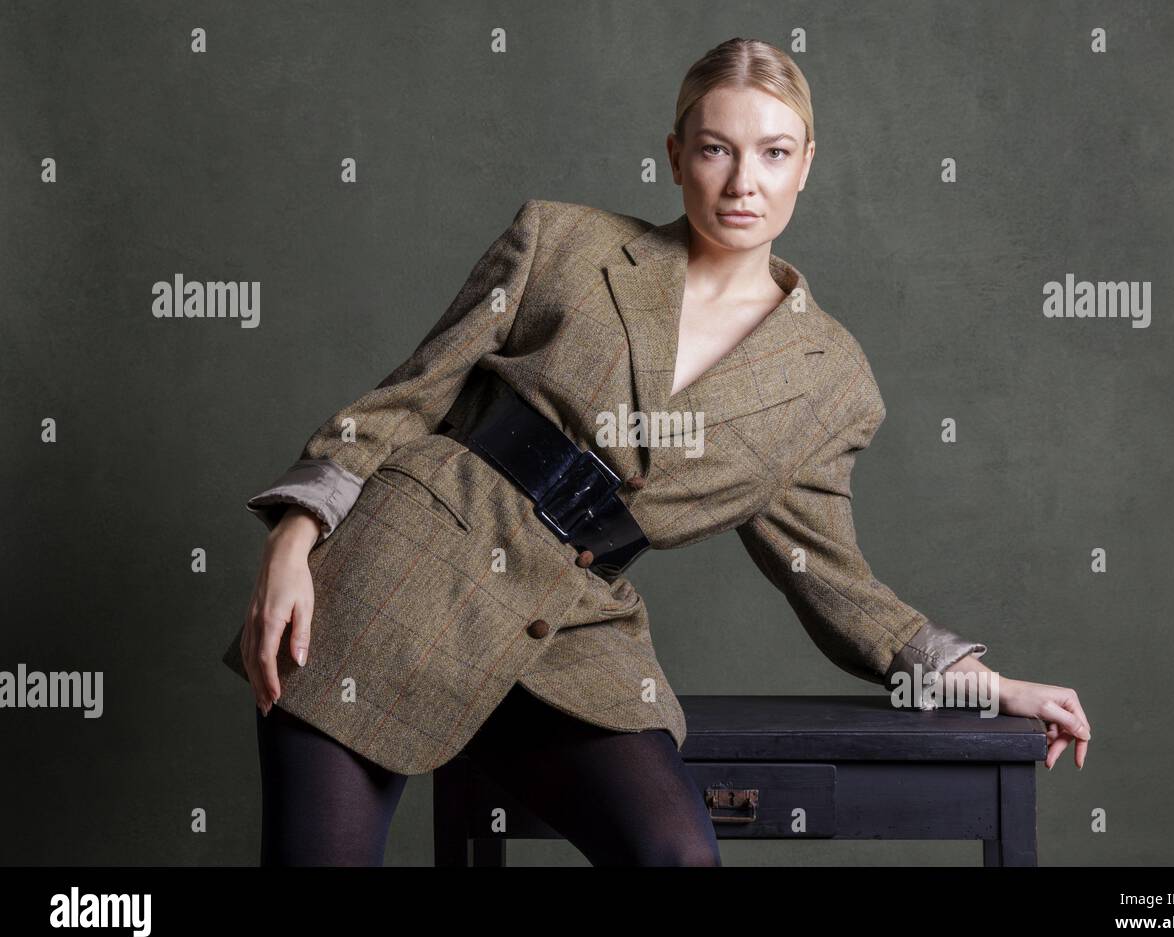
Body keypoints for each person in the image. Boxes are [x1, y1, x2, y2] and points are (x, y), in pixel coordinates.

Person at [227, 37, 1091, 867]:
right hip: (403, 563)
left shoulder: (833, 382)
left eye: (774, 153)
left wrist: (991, 685)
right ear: (676, 156)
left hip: (570, 623)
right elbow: (408, 395)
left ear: (808, 163)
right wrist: (295, 537)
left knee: (675, 851)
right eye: (717, 149)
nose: (744, 182)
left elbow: (828, 575)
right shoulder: (561, 242)